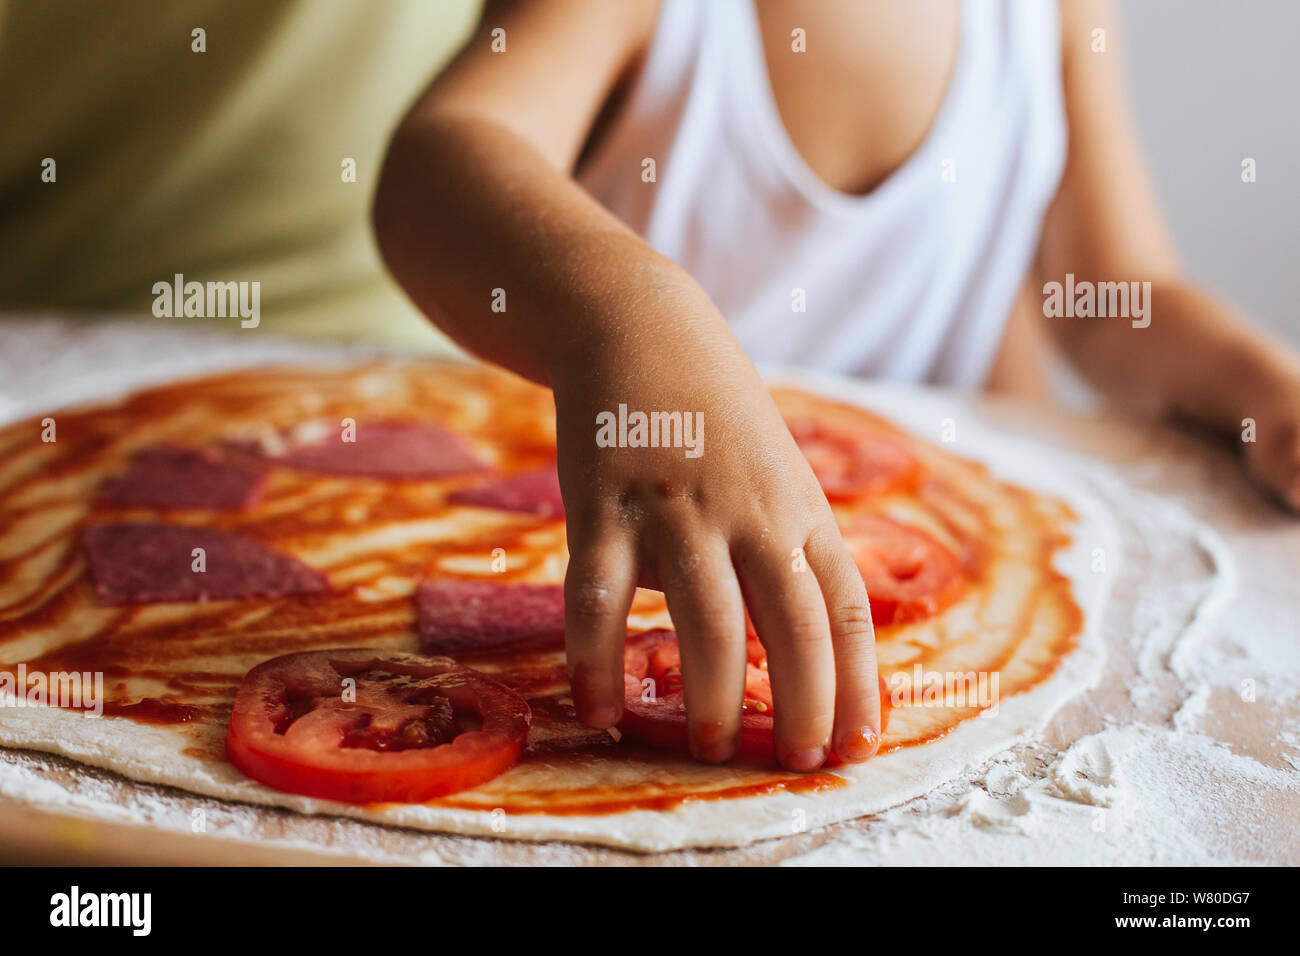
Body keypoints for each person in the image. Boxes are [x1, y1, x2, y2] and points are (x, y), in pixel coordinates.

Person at [372, 0, 1300, 772]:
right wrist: (630, 314)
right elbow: (444, 156)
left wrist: (1266, 383)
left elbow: (1109, 298)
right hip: (633, 593)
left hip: (940, 628)